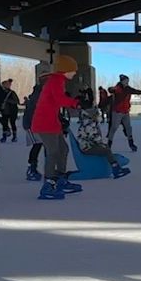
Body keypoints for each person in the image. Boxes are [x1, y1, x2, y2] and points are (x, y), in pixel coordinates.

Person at [29, 56, 83, 199]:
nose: (75, 73)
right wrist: (75, 103)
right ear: (66, 70)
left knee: (63, 149)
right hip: (44, 123)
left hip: (52, 122)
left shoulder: (59, 80)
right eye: (73, 70)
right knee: (53, 152)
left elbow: (57, 100)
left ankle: (60, 179)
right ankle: (48, 185)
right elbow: (60, 99)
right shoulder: (56, 81)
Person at [107, 74, 141, 152]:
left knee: (128, 127)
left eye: (128, 81)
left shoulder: (128, 89)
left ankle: (131, 143)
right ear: (122, 81)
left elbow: (138, 92)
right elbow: (112, 90)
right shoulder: (118, 88)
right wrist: (111, 89)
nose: (127, 82)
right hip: (117, 112)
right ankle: (109, 144)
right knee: (114, 128)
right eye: (126, 81)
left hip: (125, 112)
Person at [0, 79, 21, 143]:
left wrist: (8, 101)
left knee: (12, 123)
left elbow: (16, 101)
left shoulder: (12, 93)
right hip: (4, 111)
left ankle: (14, 136)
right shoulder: (1, 93)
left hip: (12, 111)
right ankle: (4, 136)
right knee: (4, 123)